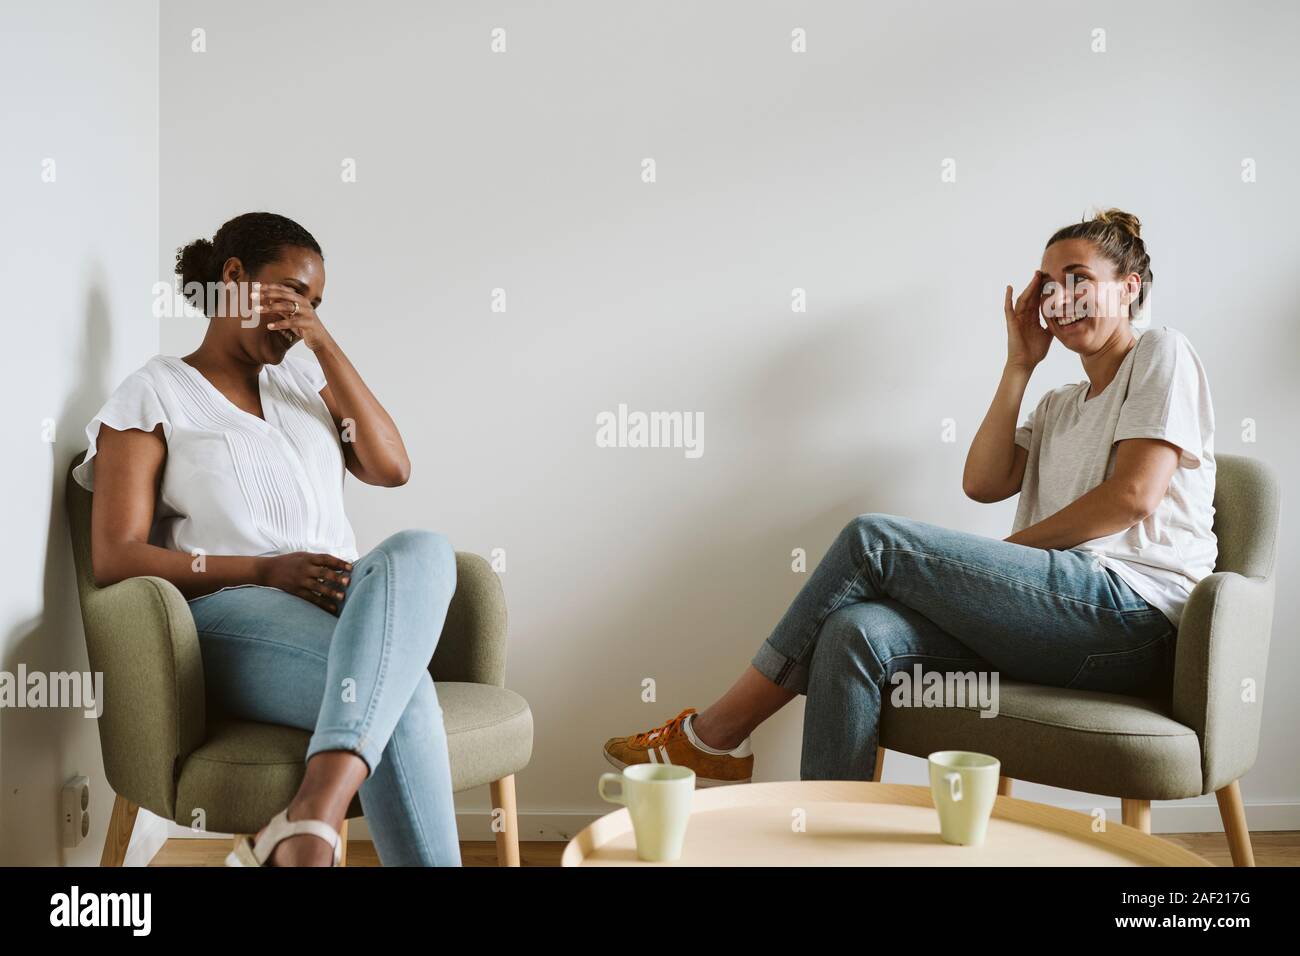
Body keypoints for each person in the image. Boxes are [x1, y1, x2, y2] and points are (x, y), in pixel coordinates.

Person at [603, 208, 1217, 785]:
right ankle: (832, 838)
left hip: (1134, 623)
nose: (1059, 297)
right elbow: (982, 482)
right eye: (1048, 284)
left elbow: (1132, 497)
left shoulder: (1162, 351)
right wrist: (1019, 364)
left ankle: (715, 734)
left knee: (873, 540)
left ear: (1130, 287)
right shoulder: (1058, 405)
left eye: (1079, 279)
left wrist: (1009, 560)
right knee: (854, 629)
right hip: (1057, 624)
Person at [72, 211, 461, 866]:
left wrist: (324, 346)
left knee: (424, 550)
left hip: (343, 602)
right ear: (234, 280)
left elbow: (391, 468)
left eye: (315, 303)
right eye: (291, 294)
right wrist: (264, 569)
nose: (301, 315)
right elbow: (116, 555)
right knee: (406, 692)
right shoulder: (154, 392)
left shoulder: (303, 384)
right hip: (231, 614)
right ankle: (313, 818)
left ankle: (309, 814)